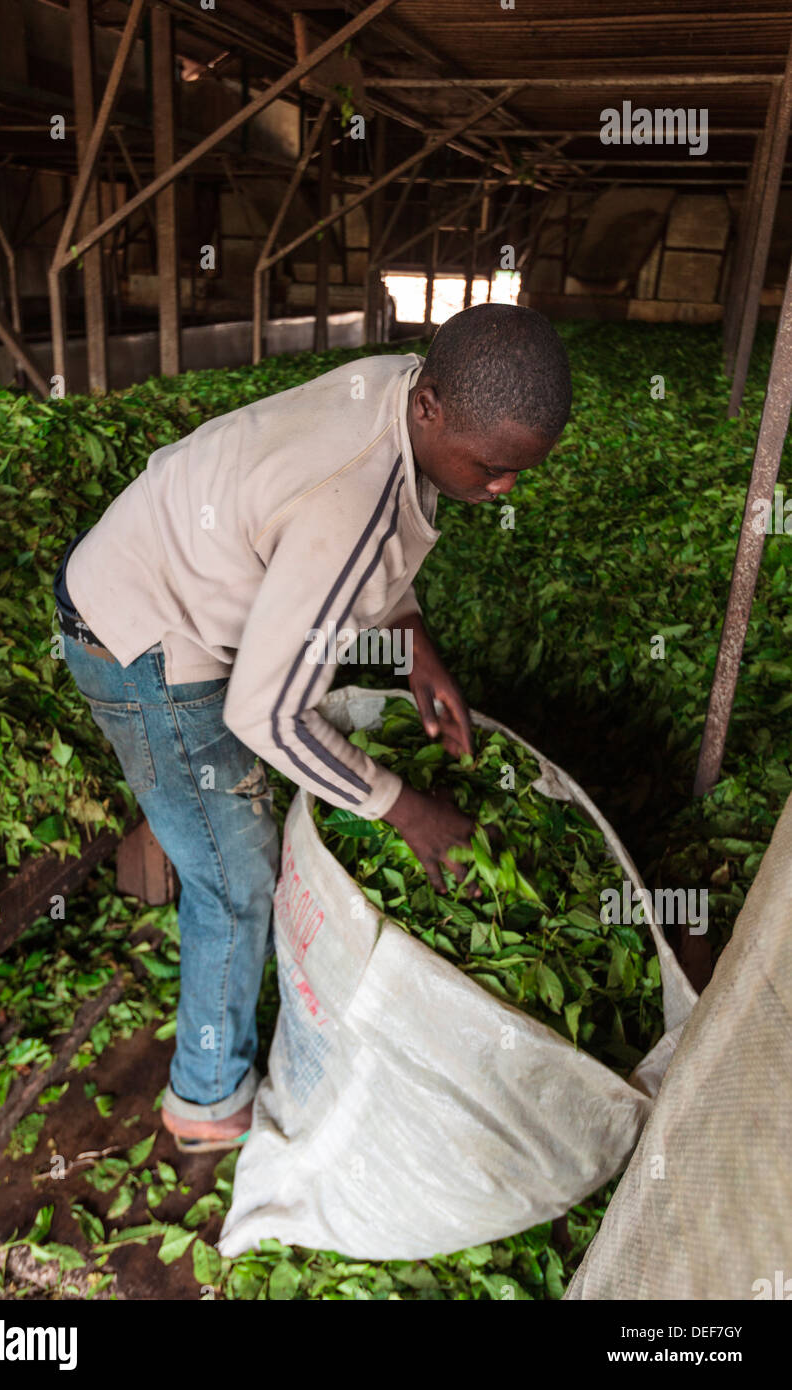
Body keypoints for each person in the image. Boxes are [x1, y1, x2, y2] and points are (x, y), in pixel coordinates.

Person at [51, 302, 572, 1154]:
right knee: (235, 877)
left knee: (228, 838)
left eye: (519, 470)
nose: (505, 486)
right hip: (142, 633)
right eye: (493, 466)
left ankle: (184, 832)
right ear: (433, 406)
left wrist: (410, 639)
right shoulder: (351, 499)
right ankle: (206, 1099)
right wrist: (408, 812)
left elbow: (371, 539)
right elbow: (263, 714)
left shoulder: (402, 389)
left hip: (162, 556)